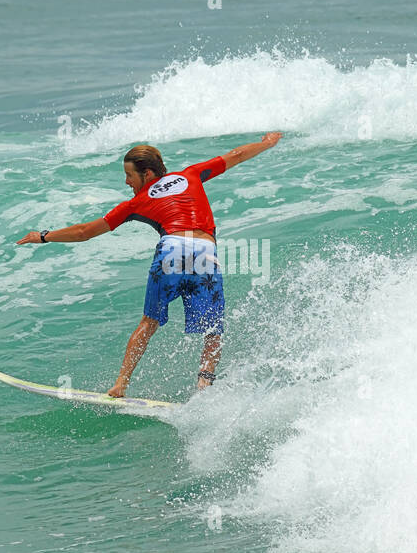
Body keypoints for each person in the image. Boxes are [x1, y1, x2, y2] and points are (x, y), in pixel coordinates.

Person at [16, 132, 282, 397]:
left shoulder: (136, 202)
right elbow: (236, 155)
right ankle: (204, 386)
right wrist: (267, 143)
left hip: (172, 249)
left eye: (130, 175)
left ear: (148, 174)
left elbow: (85, 231)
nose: (127, 181)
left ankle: (121, 384)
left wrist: (43, 237)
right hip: (205, 252)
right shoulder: (191, 174)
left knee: (149, 322)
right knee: (212, 330)